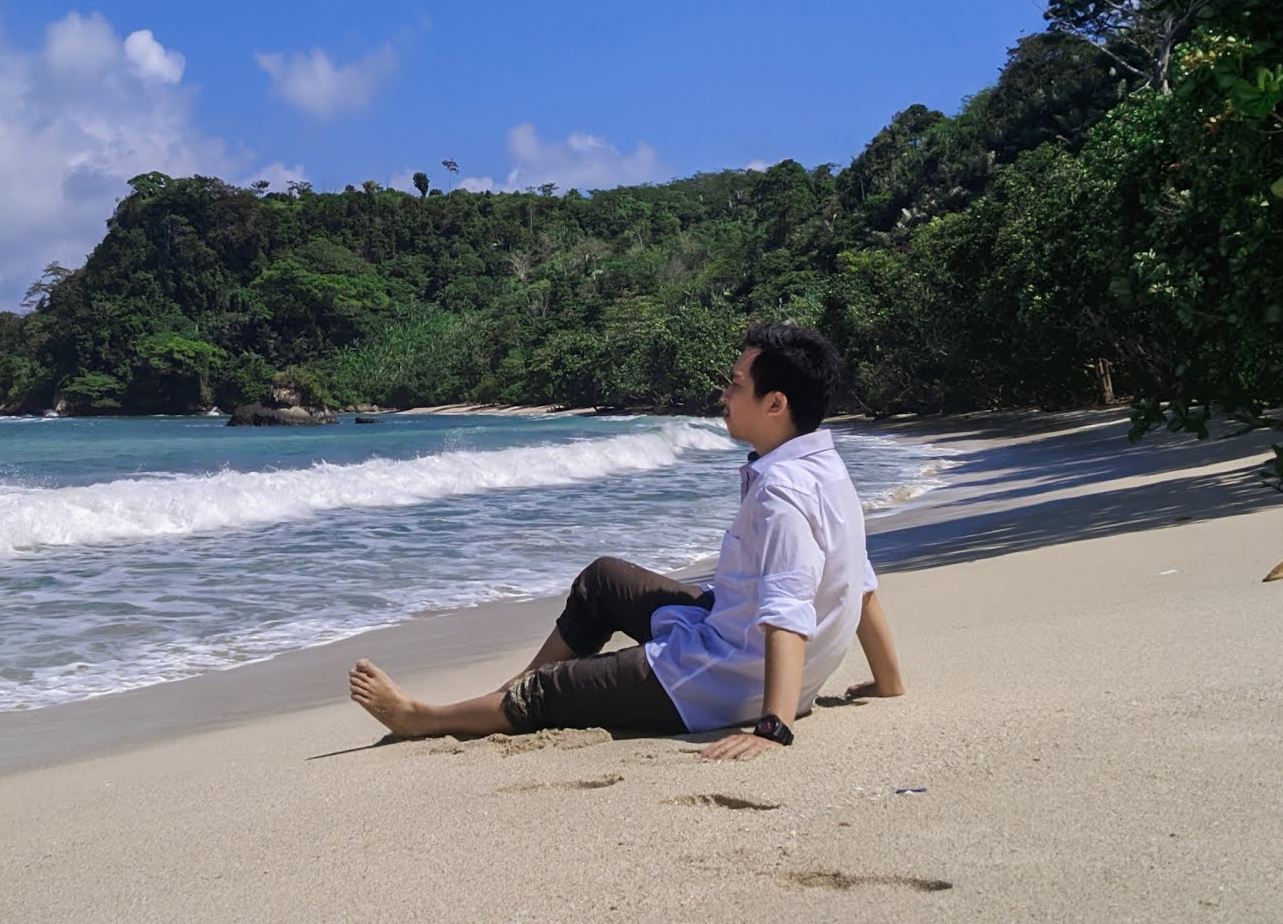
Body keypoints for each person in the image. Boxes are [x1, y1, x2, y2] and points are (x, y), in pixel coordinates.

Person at [349, 323, 905, 761]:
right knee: (602, 580)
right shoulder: (826, 467)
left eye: (736, 384)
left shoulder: (781, 493)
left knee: (554, 694)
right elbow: (861, 585)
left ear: (775, 404)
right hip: (731, 637)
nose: (724, 393)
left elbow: (787, 613)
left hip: (718, 683)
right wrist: (889, 684)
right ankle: (504, 696)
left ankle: (422, 717)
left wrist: (773, 725)